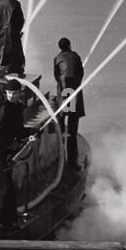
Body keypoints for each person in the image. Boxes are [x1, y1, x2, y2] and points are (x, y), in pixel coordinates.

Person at [0, 78, 26, 229]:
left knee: (8, 186)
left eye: (14, 93)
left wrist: (31, 132)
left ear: (19, 93)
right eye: (9, 93)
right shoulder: (3, 110)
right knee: (3, 187)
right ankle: (0, 222)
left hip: (7, 151)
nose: (11, 96)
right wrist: (11, 143)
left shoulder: (17, 108)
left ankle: (10, 219)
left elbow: (18, 130)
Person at [53, 36, 87, 167]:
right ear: (70, 45)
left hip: (63, 96)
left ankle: (59, 158)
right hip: (74, 96)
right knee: (72, 132)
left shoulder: (57, 58)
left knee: (61, 129)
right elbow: (81, 73)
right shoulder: (75, 56)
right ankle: (72, 161)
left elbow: (56, 76)